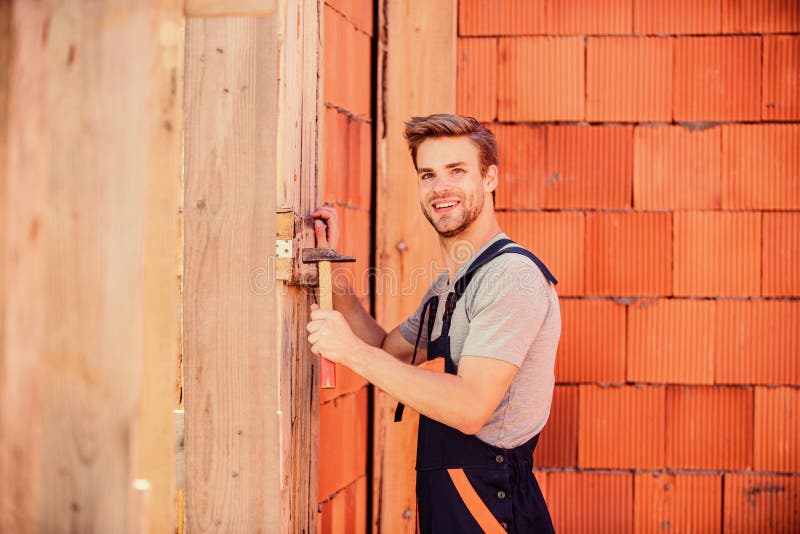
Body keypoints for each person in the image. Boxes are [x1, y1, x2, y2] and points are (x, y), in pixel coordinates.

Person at [307, 114, 560, 533]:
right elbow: (387, 350)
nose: (440, 187)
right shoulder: (451, 284)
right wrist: (332, 271)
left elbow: (470, 407)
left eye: (457, 171)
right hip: (453, 507)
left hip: (493, 510)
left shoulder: (510, 277)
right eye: (429, 174)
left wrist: (350, 352)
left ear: (490, 177)